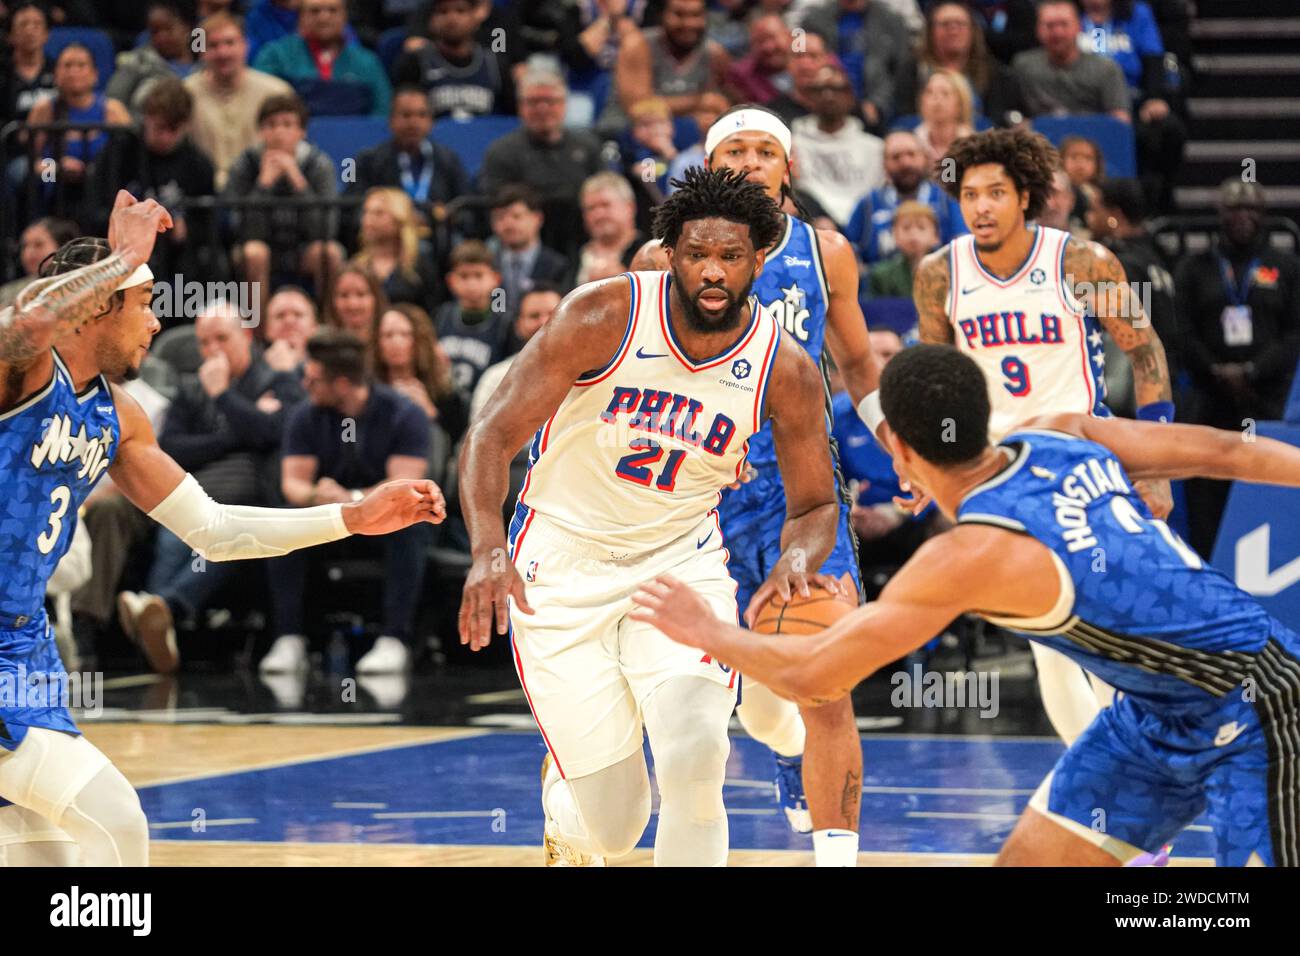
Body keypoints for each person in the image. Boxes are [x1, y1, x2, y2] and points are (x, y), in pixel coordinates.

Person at [632, 342, 1300, 867]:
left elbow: (813, 674)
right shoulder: (1060, 432)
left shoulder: (965, 558)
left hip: (1261, 705)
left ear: (894, 444)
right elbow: (1223, 450)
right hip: (1152, 715)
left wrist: (705, 628)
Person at [0, 191, 444, 866]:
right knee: (116, 824)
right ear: (94, 307)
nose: (155, 324)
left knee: (51, 853)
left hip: (26, 650)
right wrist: (120, 258)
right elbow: (23, 326)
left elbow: (214, 530)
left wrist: (350, 517)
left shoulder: (120, 417)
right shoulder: (23, 372)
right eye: (144, 301)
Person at [459, 166, 842, 867]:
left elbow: (816, 504)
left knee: (698, 756)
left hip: (679, 564)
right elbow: (491, 434)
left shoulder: (784, 369)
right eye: (697, 255)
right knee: (617, 826)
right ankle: (567, 807)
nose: (714, 272)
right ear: (671, 256)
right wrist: (488, 545)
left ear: (760, 258)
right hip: (561, 562)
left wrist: (795, 561)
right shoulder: (601, 315)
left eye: (731, 256)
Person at [632, 106, 884, 866]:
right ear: (709, 169)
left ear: (788, 167)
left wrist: (898, 442)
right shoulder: (655, 260)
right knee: (753, 703)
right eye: (732, 150)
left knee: (826, 676)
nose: (748, 160)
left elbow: (861, 363)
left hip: (798, 491)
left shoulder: (826, 250)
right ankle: (780, 752)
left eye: (763, 150)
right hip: (699, 486)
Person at [912, 127, 1174, 748]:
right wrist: (926, 464)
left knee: (1109, 636)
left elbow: (1146, 351)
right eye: (969, 194)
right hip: (1001, 474)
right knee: (1048, 645)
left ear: (1025, 196)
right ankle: (1101, 789)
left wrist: (1157, 460)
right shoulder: (938, 274)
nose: (980, 206)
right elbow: (935, 380)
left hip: (1085, 460)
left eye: (995, 193)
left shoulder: (1081, 261)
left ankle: (1132, 781)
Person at [117, 301, 306, 672]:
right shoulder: (191, 387)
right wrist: (238, 432)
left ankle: (161, 609)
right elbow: (169, 447)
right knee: (173, 539)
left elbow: (274, 432)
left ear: (246, 336)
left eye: (222, 338)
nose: (213, 350)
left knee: (222, 542)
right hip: (197, 495)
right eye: (205, 342)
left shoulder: (273, 377)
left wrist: (223, 397)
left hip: (252, 501)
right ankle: (157, 621)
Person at [263, 329, 437, 676]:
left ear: (341, 384)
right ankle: (289, 639)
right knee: (283, 520)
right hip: (330, 520)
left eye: (314, 380)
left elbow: (405, 485)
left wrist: (354, 500)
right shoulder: (305, 415)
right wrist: (317, 496)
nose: (305, 386)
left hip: (384, 521)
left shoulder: (405, 414)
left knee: (413, 523)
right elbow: (293, 483)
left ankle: (394, 639)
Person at [1175, 179, 1300, 558]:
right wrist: (1216, 371)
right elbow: (1181, 331)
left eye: (1251, 210)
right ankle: (1207, 561)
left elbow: (1295, 334)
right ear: (1220, 215)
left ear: (1263, 217)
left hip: (1268, 397)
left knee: (1269, 479)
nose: (1242, 217)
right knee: (1207, 487)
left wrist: (1253, 371)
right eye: (1233, 209)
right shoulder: (1195, 267)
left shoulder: (1287, 266)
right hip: (1209, 395)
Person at [86, 79, 216, 283]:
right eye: (159, 127)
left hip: (177, 261)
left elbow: (208, 223)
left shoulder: (198, 164)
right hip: (120, 252)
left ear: (186, 126)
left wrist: (186, 229)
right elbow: (96, 207)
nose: (164, 137)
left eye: (173, 130)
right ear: (146, 118)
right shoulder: (120, 152)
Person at [224, 93, 345, 308]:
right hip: (263, 246)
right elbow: (239, 228)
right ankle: (257, 334)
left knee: (329, 253)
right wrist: (263, 185)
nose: (279, 132)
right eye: (271, 125)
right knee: (254, 253)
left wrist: (299, 183)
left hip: (303, 248)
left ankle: (328, 325)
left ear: (302, 132)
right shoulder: (245, 164)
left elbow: (326, 230)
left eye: (288, 125)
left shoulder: (318, 165)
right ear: (261, 131)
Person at [478, 67, 605, 259]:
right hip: (525, 247)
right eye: (534, 101)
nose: (543, 108)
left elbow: (603, 192)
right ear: (520, 106)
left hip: (581, 239)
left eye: (550, 101)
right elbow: (499, 210)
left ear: (564, 105)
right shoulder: (501, 152)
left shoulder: (589, 147)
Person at [1085, 178, 1177, 419]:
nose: (1089, 216)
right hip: (1166, 378)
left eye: (1095, 209)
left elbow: (1135, 331)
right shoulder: (1157, 253)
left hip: (1133, 392)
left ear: (1114, 215)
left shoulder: (1121, 265)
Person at [184, 11, 294, 191]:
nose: (223, 52)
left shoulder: (277, 92)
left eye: (230, 43)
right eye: (213, 45)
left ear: (245, 46)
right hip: (203, 195)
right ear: (201, 51)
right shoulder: (185, 94)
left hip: (262, 193)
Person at [843, 130, 968, 265]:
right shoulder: (868, 204)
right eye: (896, 157)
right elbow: (847, 249)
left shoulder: (947, 198)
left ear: (925, 158)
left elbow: (962, 244)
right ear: (884, 164)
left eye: (911, 154)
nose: (905, 163)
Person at [896, 1, 1027, 128]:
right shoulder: (913, 70)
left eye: (960, 24)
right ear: (930, 32)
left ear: (973, 31)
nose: (953, 29)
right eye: (945, 24)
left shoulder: (995, 73)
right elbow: (904, 118)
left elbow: (1000, 121)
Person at [253, 0, 391, 118]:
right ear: (301, 17)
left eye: (333, 10)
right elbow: (260, 101)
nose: (324, 17)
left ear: (345, 17)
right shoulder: (275, 55)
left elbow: (381, 111)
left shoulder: (367, 61)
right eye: (315, 11)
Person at [345, 86, 470, 212]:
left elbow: (466, 208)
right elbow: (350, 209)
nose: (414, 123)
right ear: (391, 120)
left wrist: (445, 216)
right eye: (406, 115)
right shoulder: (365, 161)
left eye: (422, 115)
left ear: (431, 122)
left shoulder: (449, 160)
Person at [790, 63, 885, 227]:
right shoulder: (793, 145)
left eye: (836, 89)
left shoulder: (875, 147)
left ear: (850, 96)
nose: (828, 96)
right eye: (820, 90)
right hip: (813, 222)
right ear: (810, 98)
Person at [392, 0, 515, 119]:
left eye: (460, 11)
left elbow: (511, 118)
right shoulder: (414, 63)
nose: (452, 18)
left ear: (475, 18)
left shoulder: (495, 64)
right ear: (431, 21)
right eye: (443, 12)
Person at [1011, 0, 1130, 122]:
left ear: (1079, 27)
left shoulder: (1106, 69)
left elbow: (1120, 121)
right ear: (1037, 30)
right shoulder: (1023, 66)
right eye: (1050, 25)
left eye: (1064, 24)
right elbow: (1011, 114)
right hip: (1039, 138)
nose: (1057, 32)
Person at [613, 0, 732, 121]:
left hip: (687, 134)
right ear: (661, 15)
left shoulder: (714, 54)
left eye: (696, 15)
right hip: (624, 134)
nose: (689, 23)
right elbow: (638, 107)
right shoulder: (639, 45)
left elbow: (719, 105)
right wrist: (699, 102)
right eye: (679, 14)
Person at [372, 303, 469, 444]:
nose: (396, 342)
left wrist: (431, 414)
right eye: (388, 335)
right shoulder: (366, 391)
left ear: (420, 340)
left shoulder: (445, 395)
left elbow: (459, 445)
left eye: (405, 334)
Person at [469, 283, 563, 423]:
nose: (543, 322)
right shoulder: (495, 378)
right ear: (519, 325)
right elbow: (479, 434)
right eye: (534, 316)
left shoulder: (590, 372)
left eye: (552, 313)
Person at [352, 187, 443, 313]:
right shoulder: (357, 265)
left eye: (378, 213)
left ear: (399, 219)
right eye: (366, 212)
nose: (368, 220)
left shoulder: (420, 263)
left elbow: (433, 310)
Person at [434, 240, 507, 395]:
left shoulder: (505, 324)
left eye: (478, 275)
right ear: (451, 281)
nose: (472, 284)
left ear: (496, 279)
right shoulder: (441, 315)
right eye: (464, 276)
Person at [105, 1, 198, 117]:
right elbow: (113, 99)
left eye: (168, 29)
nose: (162, 37)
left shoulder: (206, 63)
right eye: (155, 32)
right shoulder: (138, 61)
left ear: (186, 28)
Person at [487, 185, 570, 316]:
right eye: (500, 217)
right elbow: (495, 310)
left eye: (516, 216)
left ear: (537, 218)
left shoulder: (557, 266)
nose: (508, 224)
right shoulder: (489, 265)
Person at [574, 173, 646, 287]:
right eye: (590, 208)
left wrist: (624, 284)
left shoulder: (650, 253)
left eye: (605, 205)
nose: (598, 214)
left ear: (629, 207)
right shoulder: (574, 258)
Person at [864, 200, 940, 301]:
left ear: (936, 236)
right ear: (894, 234)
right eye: (906, 228)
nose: (914, 234)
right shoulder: (881, 275)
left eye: (921, 228)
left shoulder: (948, 273)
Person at [0, 2, 57, 126]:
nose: (30, 31)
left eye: (37, 24)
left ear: (47, 34)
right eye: (23, 24)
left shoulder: (59, 70)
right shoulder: (3, 72)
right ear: (10, 35)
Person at [0, 217, 79, 306]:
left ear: (63, 247)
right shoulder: (7, 293)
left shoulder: (83, 287)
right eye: (24, 246)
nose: (28, 253)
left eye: (38, 245)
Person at [911, 68, 977, 170]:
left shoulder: (973, 146)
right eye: (929, 92)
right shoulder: (912, 144)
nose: (936, 99)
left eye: (945, 93)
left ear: (960, 103)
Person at [325, 264, 389, 346]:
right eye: (344, 295)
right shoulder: (322, 347)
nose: (353, 305)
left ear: (376, 298)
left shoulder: (390, 346)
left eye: (361, 294)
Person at [262, 285, 320, 373]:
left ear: (314, 326)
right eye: (280, 315)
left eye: (298, 314)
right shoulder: (252, 370)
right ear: (267, 329)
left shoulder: (329, 368)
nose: (289, 321)